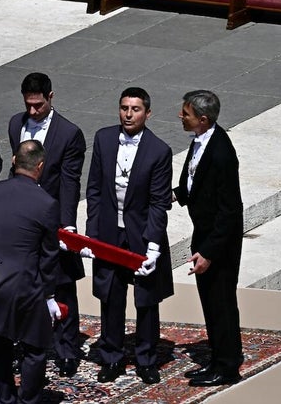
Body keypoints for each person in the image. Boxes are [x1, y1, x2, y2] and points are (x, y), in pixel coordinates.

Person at [82, 87, 173, 385]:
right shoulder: (104, 139)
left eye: (135, 109)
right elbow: (94, 189)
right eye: (124, 108)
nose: (128, 114)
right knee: (110, 296)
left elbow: (160, 202)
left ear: (148, 113)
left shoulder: (159, 151)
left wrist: (154, 245)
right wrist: (92, 235)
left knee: (146, 300)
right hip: (109, 232)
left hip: (142, 234)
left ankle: (147, 359)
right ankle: (111, 357)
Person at [0, 140, 59, 404]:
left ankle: (3, 399)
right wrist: (49, 294)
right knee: (35, 346)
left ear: (14, 161)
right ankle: (28, 399)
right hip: (24, 283)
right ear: (40, 167)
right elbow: (49, 254)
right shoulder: (46, 203)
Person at [6, 72, 86, 376]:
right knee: (22, 282)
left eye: (38, 105)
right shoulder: (16, 124)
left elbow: (69, 182)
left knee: (62, 284)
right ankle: (25, 341)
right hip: (22, 219)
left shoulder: (68, 134)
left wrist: (67, 225)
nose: (32, 111)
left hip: (52, 217)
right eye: (28, 105)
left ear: (50, 98)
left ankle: (67, 349)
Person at [174, 89, 243, 387]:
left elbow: (230, 211)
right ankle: (219, 358)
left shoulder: (221, 153)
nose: (181, 116)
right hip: (205, 234)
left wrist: (209, 252)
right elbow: (194, 180)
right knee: (211, 303)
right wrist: (176, 195)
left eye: (186, 114)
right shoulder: (203, 141)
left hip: (219, 243)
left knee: (221, 304)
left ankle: (227, 367)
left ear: (202, 119)